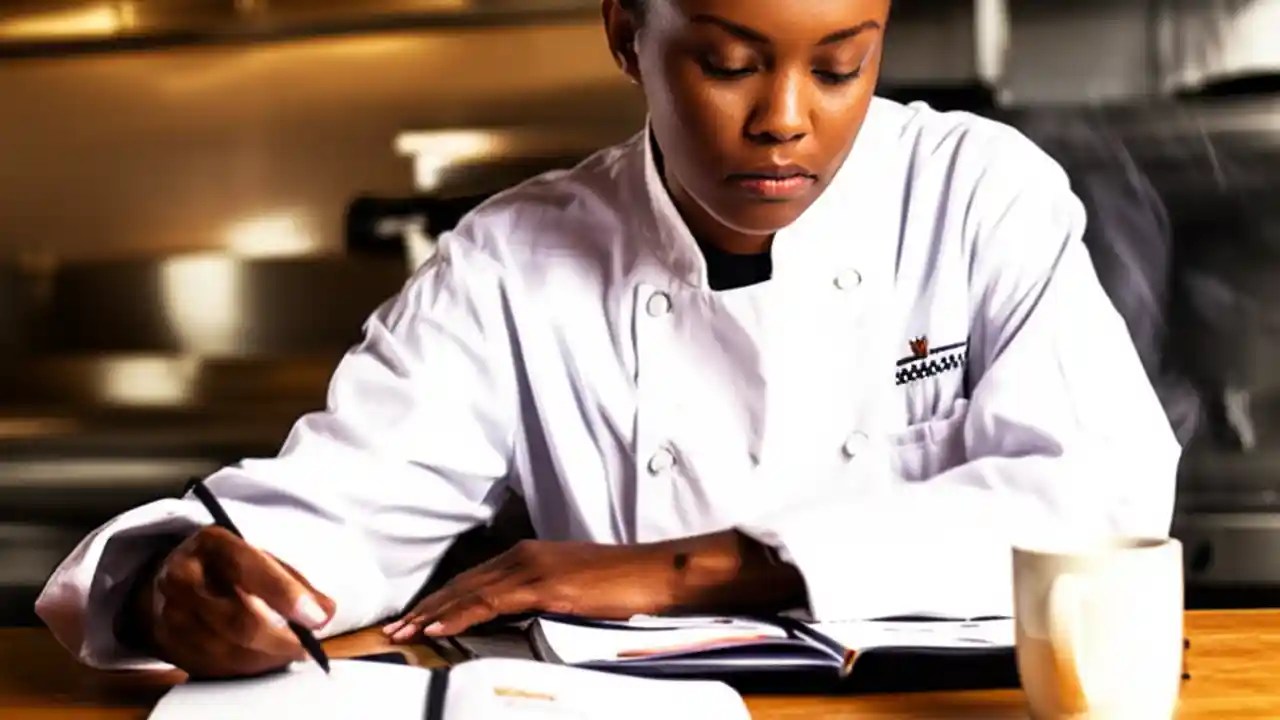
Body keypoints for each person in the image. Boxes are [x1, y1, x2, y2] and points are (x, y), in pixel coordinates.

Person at [36, 0, 1180, 679]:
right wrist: (178, 588)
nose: (786, 114)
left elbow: (1102, 494)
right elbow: (338, 512)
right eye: (727, 62)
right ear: (627, 32)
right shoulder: (513, 260)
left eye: (842, 63)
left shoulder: (973, 193)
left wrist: (700, 565)